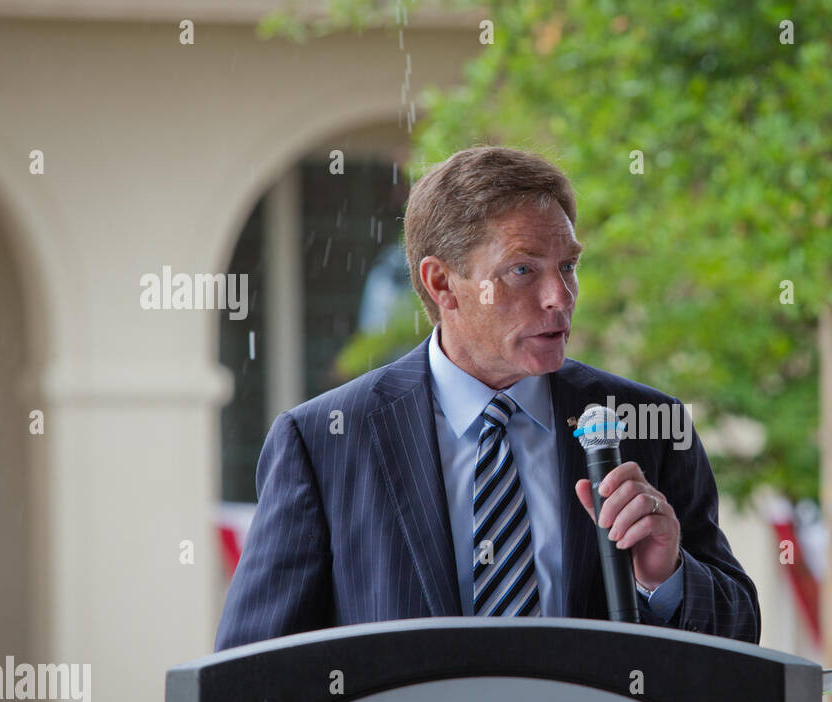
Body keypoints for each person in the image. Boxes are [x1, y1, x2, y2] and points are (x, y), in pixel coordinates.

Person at [214, 146, 760, 650]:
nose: (560, 298)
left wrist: (667, 579)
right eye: (522, 270)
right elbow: (252, 669)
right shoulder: (323, 441)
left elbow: (740, 635)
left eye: (568, 266)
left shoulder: (650, 423)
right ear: (442, 284)